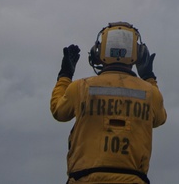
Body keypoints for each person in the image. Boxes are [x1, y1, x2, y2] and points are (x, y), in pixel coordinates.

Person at [50, 22, 167, 184]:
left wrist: (65, 75)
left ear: (97, 52)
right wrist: (149, 77)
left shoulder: (80, 87)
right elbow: (160, 118)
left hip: (84, 179)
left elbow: (59, 112)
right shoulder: (151, 94)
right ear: (139, 54)